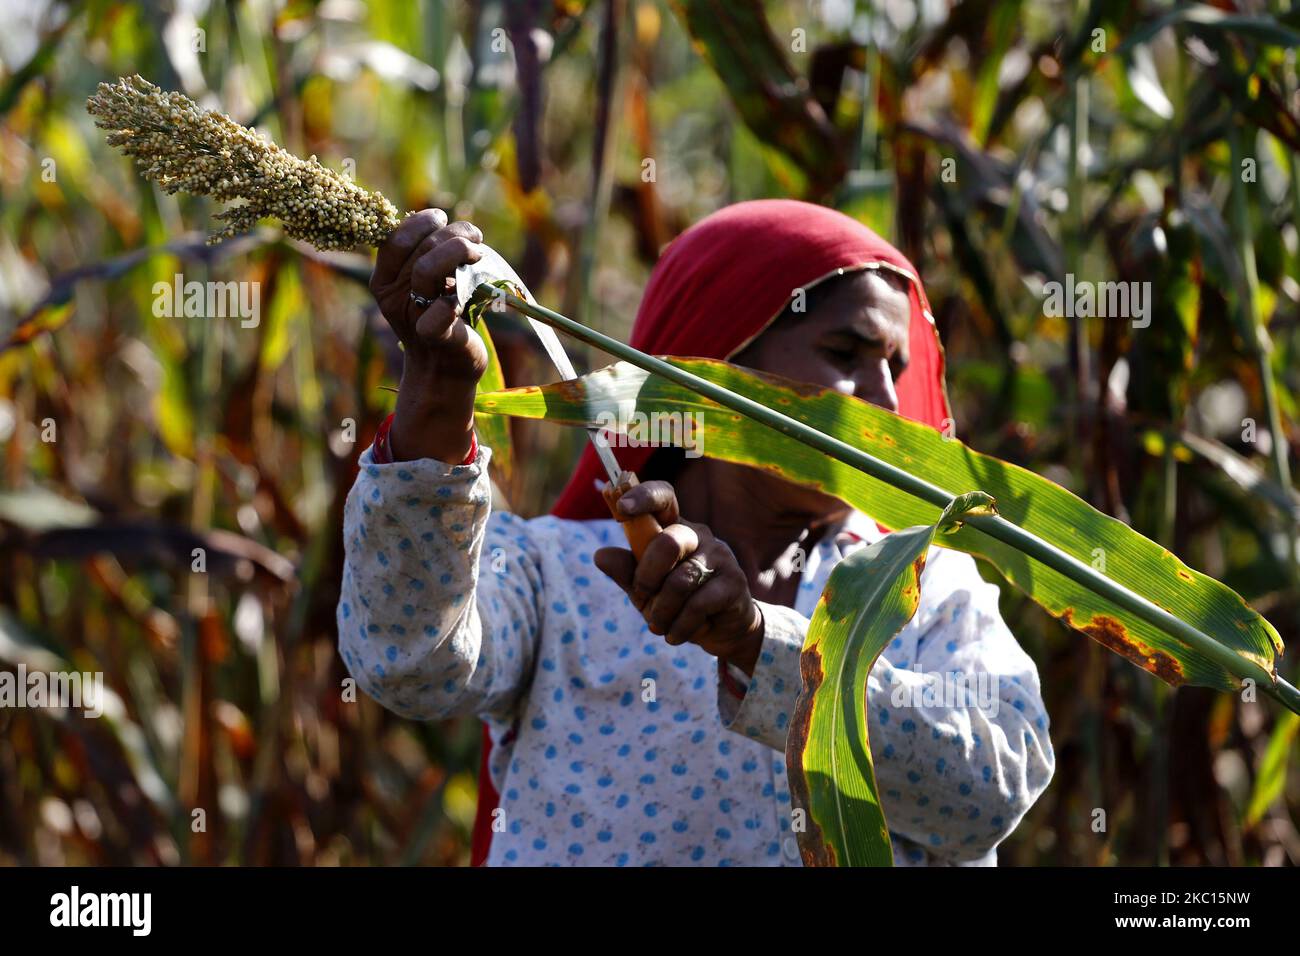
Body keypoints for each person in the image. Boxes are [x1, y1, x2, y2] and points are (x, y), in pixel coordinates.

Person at [337, 199, 1054, 866]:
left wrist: (756, 644)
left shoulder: (925, 586)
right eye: (846, 353)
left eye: (898, 368)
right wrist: (434, 398)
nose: (890, 403)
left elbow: (986, 794)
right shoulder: (557, 574)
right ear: (718, 366)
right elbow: (412, 663)